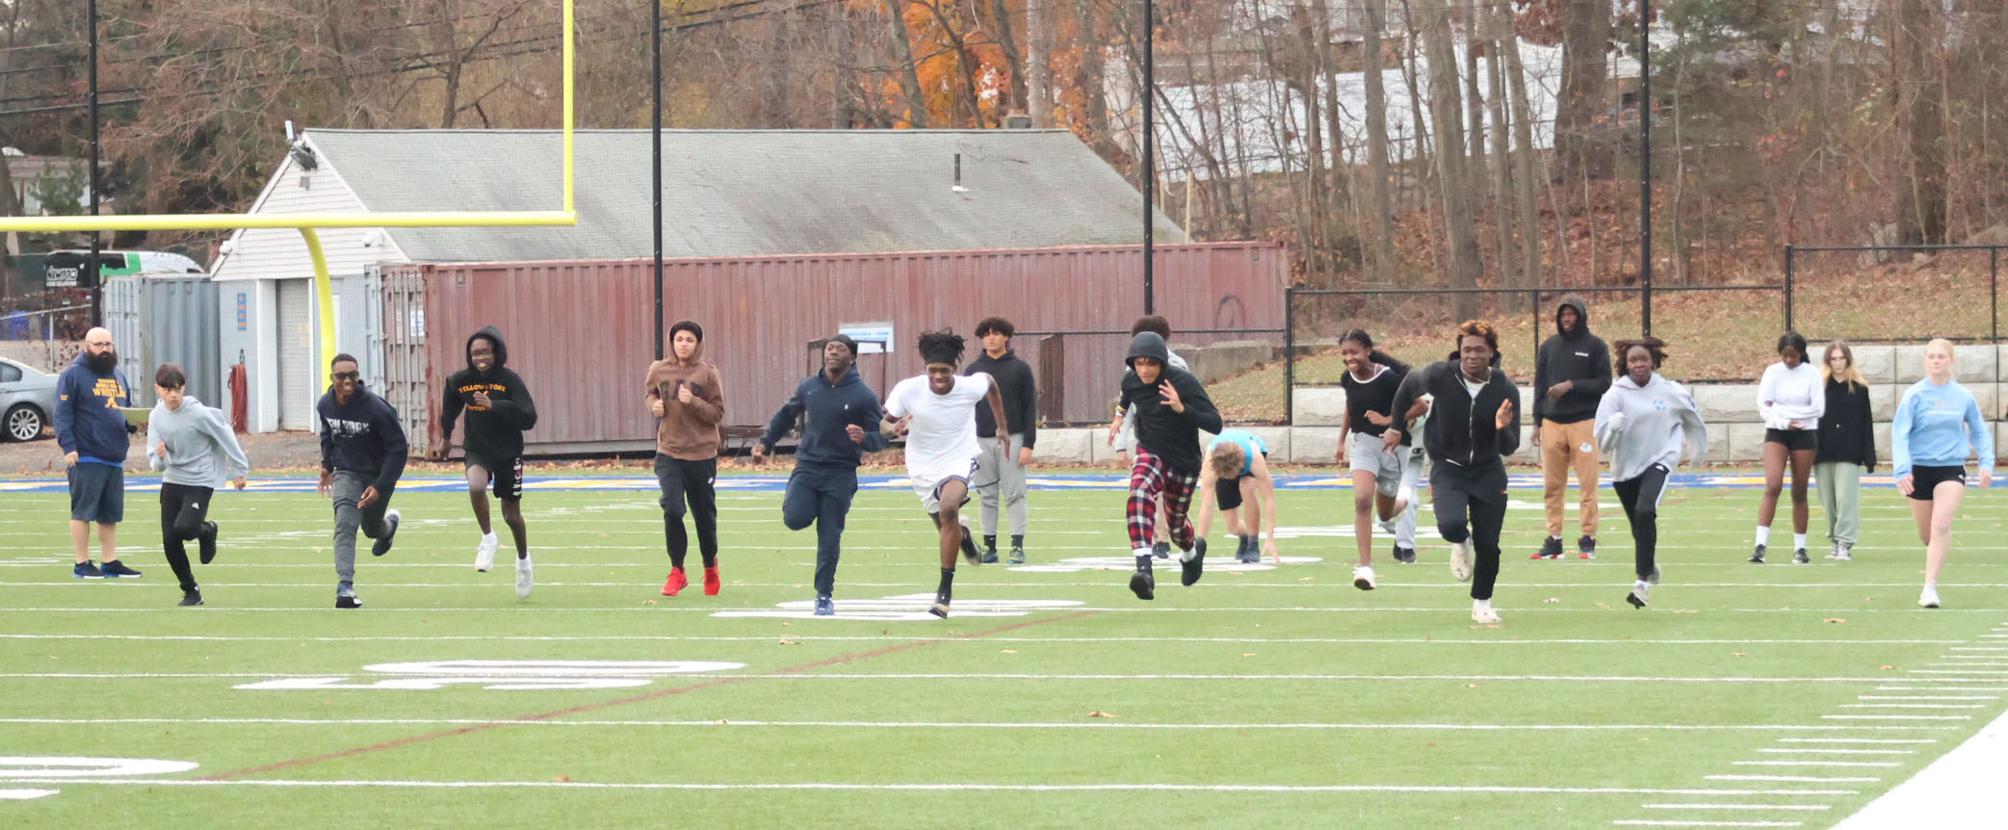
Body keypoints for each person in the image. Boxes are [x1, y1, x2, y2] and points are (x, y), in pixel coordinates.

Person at [1386, 320, 1521, 625]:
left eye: (1479, 350)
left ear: (1492, 354)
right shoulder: (1438, 374)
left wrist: (1501, 427)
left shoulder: (1505, 389)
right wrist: (1395, 426)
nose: (1471, 356)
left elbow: (1510, 447)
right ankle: (1460, 542)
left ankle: (1482, 601)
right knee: (1450, 524)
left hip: (1488, 471)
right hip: (1449, 466)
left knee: (1489, 545)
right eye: (1466, 350)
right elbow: (1407, 386)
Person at [753, 335, 887, 616]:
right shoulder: (808, 386)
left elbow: (879, 438)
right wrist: (765, 442)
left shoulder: (864, 395)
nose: (832, 353)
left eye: (840, 349)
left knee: (829, 537)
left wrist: (864, 438)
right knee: (795, 518)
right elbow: (786, 415)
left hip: (841, 472)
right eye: (829, 349)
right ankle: (807, 505)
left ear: (852, 358)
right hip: (808, 466)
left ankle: (824, 594)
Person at [885, 330, 1008, 617]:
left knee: (949, 507)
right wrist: (893, 428)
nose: (938, 377)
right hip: (922, 463)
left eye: (944, 371)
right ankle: (963, 537)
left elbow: (991, 385)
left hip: (960, 456)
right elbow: (883, 423)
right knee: (945, 522)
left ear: (955, 369)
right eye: (932, 371)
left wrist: (1001, 425)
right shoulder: (908, 390)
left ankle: (944, 592)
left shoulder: (969, 386)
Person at [1593, 338, 1707, 610]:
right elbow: (1603, 444)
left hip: (1660, 458)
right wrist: (1614, 428)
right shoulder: (1614, 395)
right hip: (1624, 469)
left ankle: (1641, 584)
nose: (1639, 364)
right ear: (1625, 364)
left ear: (1653, 360)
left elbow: (1693, 419)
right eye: (1633, 360)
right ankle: (1650, 565)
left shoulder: (1670, 391)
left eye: (1643, 359)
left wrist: (1698, 451)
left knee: (1646, 511)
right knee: (1639, 526)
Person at [431, 326, 539, 599]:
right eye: (475, 352)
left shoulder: (509, 380)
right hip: (478, 449)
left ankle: (523, 562)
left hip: (508, 452)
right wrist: (445, 439)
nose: (480, 357)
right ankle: (488, 537)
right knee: (476, 486)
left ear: (496, 352)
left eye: (485, 352)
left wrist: (495, 405)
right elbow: (451, 408)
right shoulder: (460, 380)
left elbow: (528, 418)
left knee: (512, 517)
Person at [1117, 330, 1223, 600]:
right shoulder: (1131, 381)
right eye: (1138, 363)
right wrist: (1118, 418)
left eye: (1150, 363)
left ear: (1162, 363)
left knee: (1176, 525)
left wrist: (1181, 408)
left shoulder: (1182, 382)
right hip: (1150, 451)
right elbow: (1126, 400)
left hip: (1183, 461)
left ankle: (1190, 554)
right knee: (1138, 492)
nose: (1144, 369)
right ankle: (1144, 570)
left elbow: (1215, 423)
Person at [1892, 339, 1994, 609]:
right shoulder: (1914, 395)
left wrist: (1986, 463)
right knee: (1927, 535)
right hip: (1918, 469)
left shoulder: (1962, 396)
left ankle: (1929, 588)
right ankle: (1935, 558)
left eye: (1941, 356)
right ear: (1926, 360)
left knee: (1941, 525)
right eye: (1931, 356)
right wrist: (1901, 470)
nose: (1936, 361)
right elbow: (1900, 434)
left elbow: (1979, 431)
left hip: (1950, 468)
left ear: (1951, 360)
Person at [146, 364, 250, 607]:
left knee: (184, 528)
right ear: (157, 389)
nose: (173, 395)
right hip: (172, 479)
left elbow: (226, 436)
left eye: (178, 389)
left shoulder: (199, 414)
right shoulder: (156, 416)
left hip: (200, 480)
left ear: (184, 389)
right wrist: (160, 457)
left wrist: (239, 469)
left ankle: (206, 530)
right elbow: (154, 462)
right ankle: (190, 590)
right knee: (170, 542)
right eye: (168, 389)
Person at [317, 353, 408, 609]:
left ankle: (388, 529)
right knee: (345, 524)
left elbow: (398, 449)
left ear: (359, 377)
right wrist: (326, 465)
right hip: (346, 471)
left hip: (377, 475)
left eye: (353, 375)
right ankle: (345, 586)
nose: (347, 380)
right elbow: (328, 432)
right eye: (341, 376)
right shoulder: (325, 404)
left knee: (371, 528)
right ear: (331, 377)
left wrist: (380, 486)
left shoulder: (377, 409)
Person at [645, 320, 727, 598]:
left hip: (701, 453)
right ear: (672, 342)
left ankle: (709, 566)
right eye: (679, 339)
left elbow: (717, 413)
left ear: (698, 344)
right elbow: (650, 393)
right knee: (672, 508)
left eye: (689, 340)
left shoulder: (708, 373)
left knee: (704, 517)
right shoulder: (659, 369)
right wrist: (653, 405)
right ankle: (677, 570)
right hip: (669, 451)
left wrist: (694, 401)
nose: (683, 344)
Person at [55, 327, 142, 579]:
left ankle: (109, 561)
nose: (105, 348)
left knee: (109, 514)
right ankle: (81, 563)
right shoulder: (73, 374)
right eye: (99, 344)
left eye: (108, 344)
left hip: (113, 455)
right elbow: (62, 413)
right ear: (87, 347)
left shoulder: (118, 375)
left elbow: (124, 411)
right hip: (86, 454)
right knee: (83, 511)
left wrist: (136, 423)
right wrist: (68, 446)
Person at [1531, 296, 1611, 560]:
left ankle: (1588, 537)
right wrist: (1536, 421)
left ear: (1581, 316)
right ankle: (1554, 539)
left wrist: (1572, 385)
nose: (1567, 319)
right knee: (1552, 485)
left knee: (1588, 483)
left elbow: (1603, 382)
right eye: (1563, 314)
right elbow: (1540, 385)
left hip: (1583, 422)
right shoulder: (1548, 347)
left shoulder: (1595, 346)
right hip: (1553, 423)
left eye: (1571, 314)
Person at [1334, 329, 1412, 590]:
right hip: (1363, 444)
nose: (1349, 357)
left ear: (1368, 350)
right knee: (1362, 499)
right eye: (1344, 353)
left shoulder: (1388, 378)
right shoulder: (1348, 378)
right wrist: (1341, 440)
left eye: (1353, 351)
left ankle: (1401, 503)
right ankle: (1366, 567)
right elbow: (1350, 405)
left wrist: (1389, 420)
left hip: (1393, 447)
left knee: (1386, 512)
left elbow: (1420, 405)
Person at [1108, 315, 1188, 560]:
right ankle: (1153, 539)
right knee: (1144, 489)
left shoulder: (1178, 366)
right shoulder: (1133, 371)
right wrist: (1121, 444)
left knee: (1167, 492)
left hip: (1174, 441)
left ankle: (1163, 538)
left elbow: (1187, 403)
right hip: (1147, 439)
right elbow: (1127, 408)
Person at [965, 316, 1037, 565]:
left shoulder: (1020, 368)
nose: (991, 338)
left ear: (1006, 336)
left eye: (996, 333)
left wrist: (1028, 444)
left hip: (1014, 438)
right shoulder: (973, 371)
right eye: (986, 334)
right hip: (980, 440)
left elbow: (1030, 408)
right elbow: (964, 407)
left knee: (1015, 494)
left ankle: (1017, 546)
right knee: (986, 495)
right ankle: (989, 546)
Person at [1751, 332, 1824, 564]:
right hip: (1777, 431)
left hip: (1804, 433)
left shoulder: (1812, 373)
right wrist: (1783, 421)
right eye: (1785, 356)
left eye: (1793, 356)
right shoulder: (1773, 372)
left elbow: (1817, 408)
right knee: (1773, 485)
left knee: (1799, 492)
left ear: (1801, 353)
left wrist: (1783, 410)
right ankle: (1760, 545)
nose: (1789, 361)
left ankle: (1800, 548)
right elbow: (1763, 406)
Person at [1815, 340, 1875, 562]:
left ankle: (1845, 542)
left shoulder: (1859, 389)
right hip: (1823, 451)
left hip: (1849, 451)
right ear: (1828, 361)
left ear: (1848, 360)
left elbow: (1866, 423)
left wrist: (1869, 456)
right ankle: (1833, 539)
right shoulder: (1819, 387)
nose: (1838, 363)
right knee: (1828, 500)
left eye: (1841, 358)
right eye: (1834, 359)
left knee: (1845, 498)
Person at [1192, 428, 1278, 571]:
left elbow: (1268, 498)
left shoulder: (1254, 458)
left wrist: (1269, 538)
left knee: (1246, 488)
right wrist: (1200, 545)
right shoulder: (1210, 463)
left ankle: (1253, 542)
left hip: (1247, 457)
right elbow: (1207, 504)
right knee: (1232, 527)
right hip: (1225, 464)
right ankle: (1244, 536)